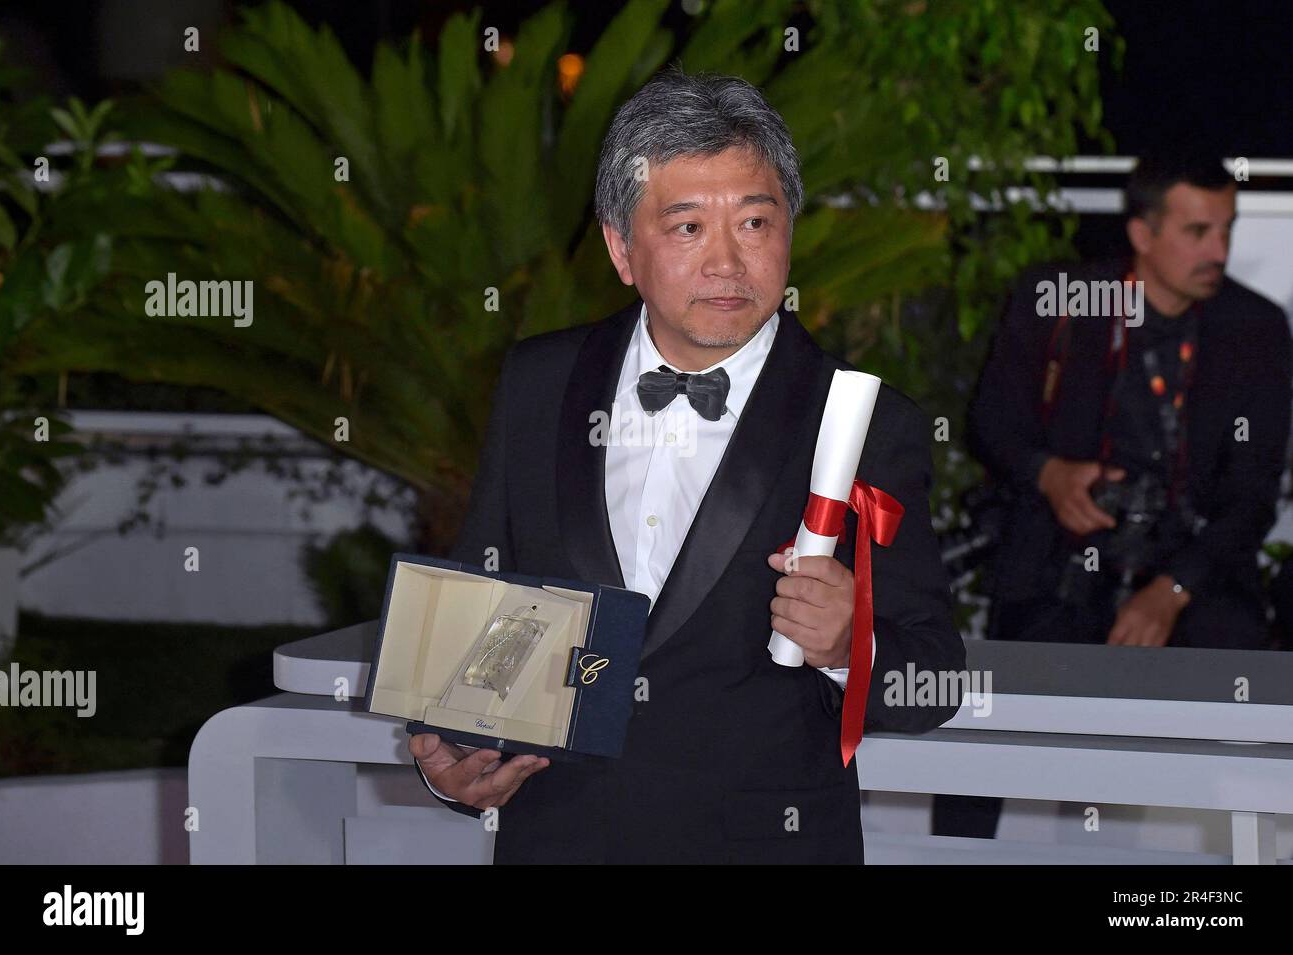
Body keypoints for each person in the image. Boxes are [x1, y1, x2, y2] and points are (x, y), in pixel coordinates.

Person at [407, 66, 965, 864]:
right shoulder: (539, 382)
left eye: (755, 222)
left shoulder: (863, 419)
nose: (728, 263)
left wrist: (850, 643)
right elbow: (485, 612)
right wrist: (454, 766)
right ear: (620, 248)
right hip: (560, 842)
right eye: (687, 227)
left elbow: (936, 679)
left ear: (789, 232)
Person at [932, 153, 1293, 840]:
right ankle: (956, 855)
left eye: (1227, 229)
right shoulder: (1064, 300)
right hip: (1064, 564)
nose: (1219, 251)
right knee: (988, 720)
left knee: (1249, 690)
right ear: (1141, 233)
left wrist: (1172, 589)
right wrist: (1049, 474)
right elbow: (992, 422)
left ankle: (1227, 865)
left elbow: (1253, 495)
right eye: (1197, 231)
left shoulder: (1254, 328)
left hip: (1194, 572)